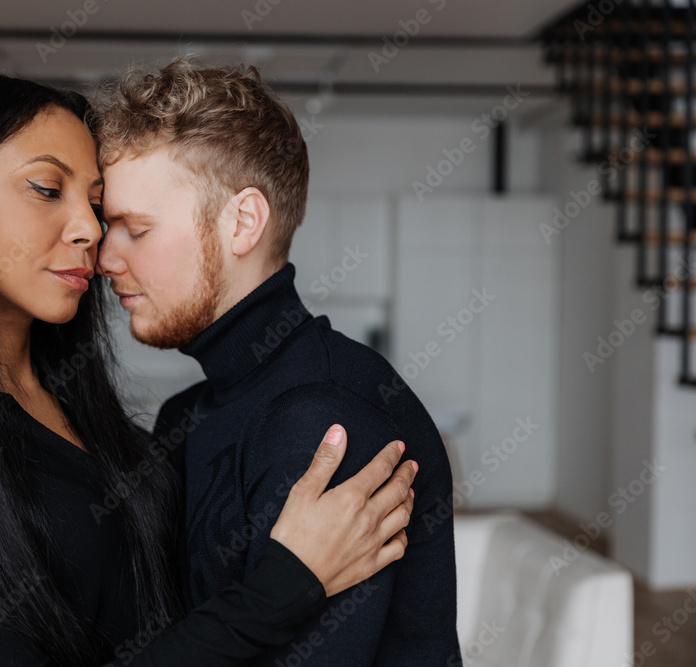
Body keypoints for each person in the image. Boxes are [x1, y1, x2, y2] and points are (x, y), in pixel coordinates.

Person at [0, 70, 419, 667]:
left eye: (98, 205)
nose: (92, 234)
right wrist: (281, 589)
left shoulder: (106, 410)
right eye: (47, 188)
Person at [94, 58, 461, 665]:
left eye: (135, 228)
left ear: (242, 222)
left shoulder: (323, 425)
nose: (106, 258)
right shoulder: (186, 416)